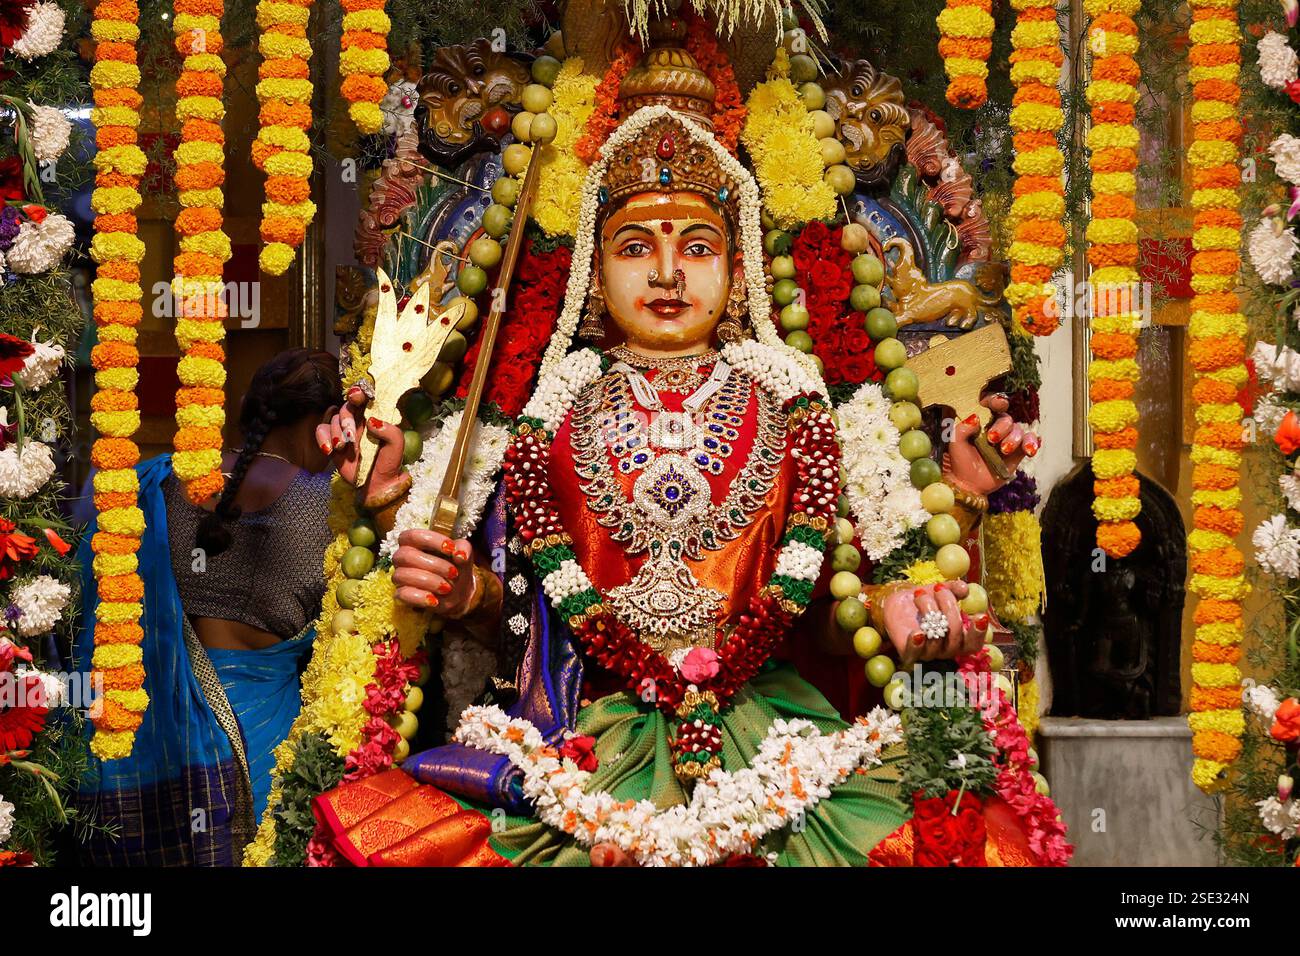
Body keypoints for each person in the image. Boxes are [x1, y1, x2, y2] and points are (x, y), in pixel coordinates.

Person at [305, 46, 1038, 867]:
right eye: (634, 246)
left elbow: (827, 629)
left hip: (780, 747)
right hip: (579, 742)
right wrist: (459, 581)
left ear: (737, 266)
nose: (665, 273)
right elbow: (518, 605)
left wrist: (893, 599)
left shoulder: (798, 410)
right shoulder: (546, 413)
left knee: (953, 838)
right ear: (593, 268)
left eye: (695, 247)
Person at [74, 348, 342, 865]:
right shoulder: (327, 501)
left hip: (159, 738)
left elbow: (84, 528)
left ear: (248, 409)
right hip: (268, 747)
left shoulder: (162, 480)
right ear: (325, 422)